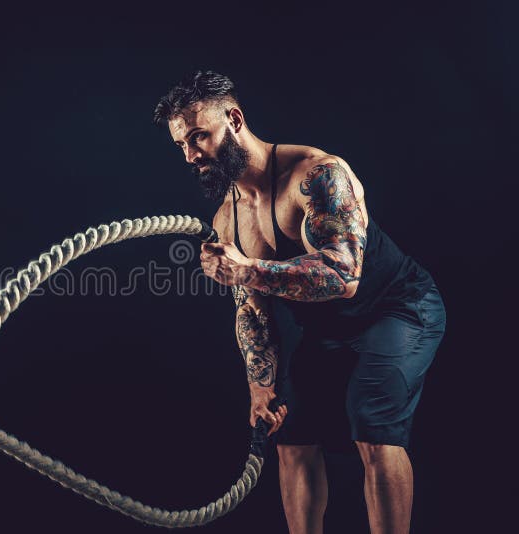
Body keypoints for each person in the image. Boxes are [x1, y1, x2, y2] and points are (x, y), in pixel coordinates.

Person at [153, 71, 446, 534]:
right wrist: (259, 386)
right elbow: (251, 310)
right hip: (328, 331)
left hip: (398, 308)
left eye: (198, 137)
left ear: (233, 119)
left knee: (370, 419)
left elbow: (343, 275)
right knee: (291, 433)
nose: (191, 155)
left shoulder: (316, 175)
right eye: (181, 145)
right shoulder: (227, 217)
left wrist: (247, 268)